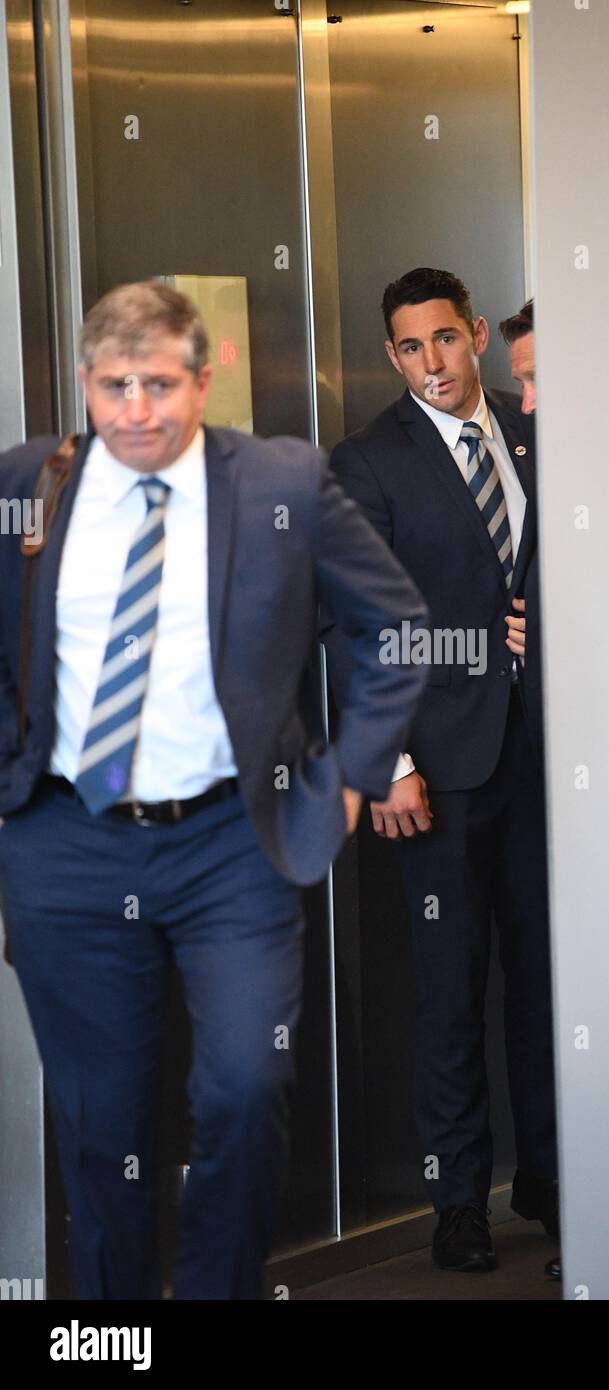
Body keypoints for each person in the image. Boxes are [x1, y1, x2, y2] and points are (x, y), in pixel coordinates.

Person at [0, 280, 429, 1300]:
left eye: (160, 383)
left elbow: (395, 626)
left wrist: (353, 773)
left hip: (231, 843)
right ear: (85, 384)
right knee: (102, 1125)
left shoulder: (279, 479)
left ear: (203, 380)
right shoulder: (28, 480)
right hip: (67, 843)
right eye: (115, 386)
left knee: (244, 1084)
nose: (137, 409)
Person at [321, 267, 558, 1274]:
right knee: (450, 994)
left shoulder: (534, 425)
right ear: (391, 354)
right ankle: (457, 1203)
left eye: (445, 342)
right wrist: (393, 762)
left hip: (546, 758)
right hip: (440, 773)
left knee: (551, 988)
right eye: (409, 348)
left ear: (471, 334)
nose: (432, 365)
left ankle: (552, 1184)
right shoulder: (369, 461)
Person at [500, 296, 560, 1282]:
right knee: (542, 990)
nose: (525, 398)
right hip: (526, 773)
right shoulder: (537, 462)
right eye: (518, 377)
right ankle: (561, 1206)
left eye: (543, 376)